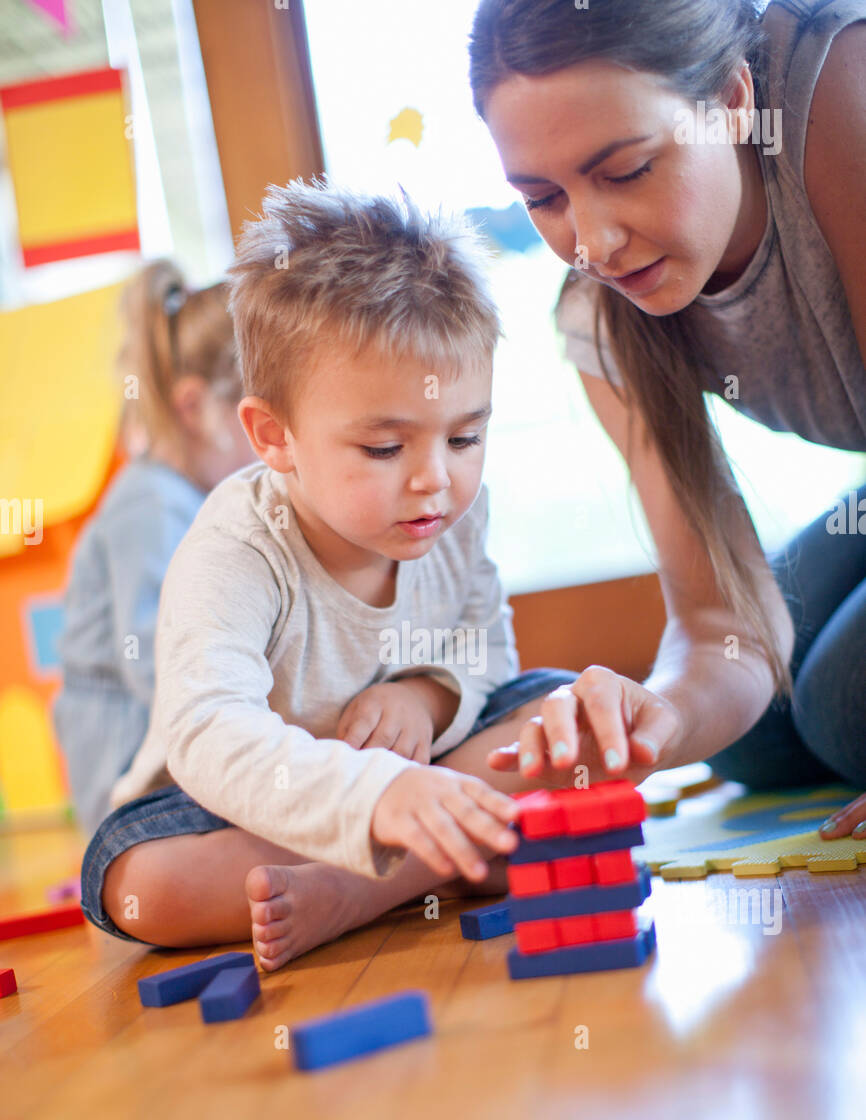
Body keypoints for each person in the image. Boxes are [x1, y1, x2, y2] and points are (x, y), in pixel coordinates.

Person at [79, 180, 585, 966]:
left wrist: (425, 695)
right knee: (132, 879)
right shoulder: (238, 547)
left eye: (465, 437)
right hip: (243, 812)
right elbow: (208, 732)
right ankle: (432, 863)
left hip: (415, 776)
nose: (435, 481)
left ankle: (361, 889)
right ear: (274, 436)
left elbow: (485, 649)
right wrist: (374, 797)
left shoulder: (448, 507)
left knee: (565, 720)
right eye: (385, 448)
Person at [469, 0, 866, 838]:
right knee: (751, 732)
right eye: (543, 197)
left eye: (626, 170)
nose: (593, 244)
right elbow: (720, 619)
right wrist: (654, 721)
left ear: (732, 101)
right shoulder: (601, 317)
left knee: (840, 709)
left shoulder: (835, 91)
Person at [53, 260, 251, 834]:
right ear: (194, 408)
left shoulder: (188, 494)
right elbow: (154, 662)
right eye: (256, 417)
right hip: (127, 771)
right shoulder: (153, 504)